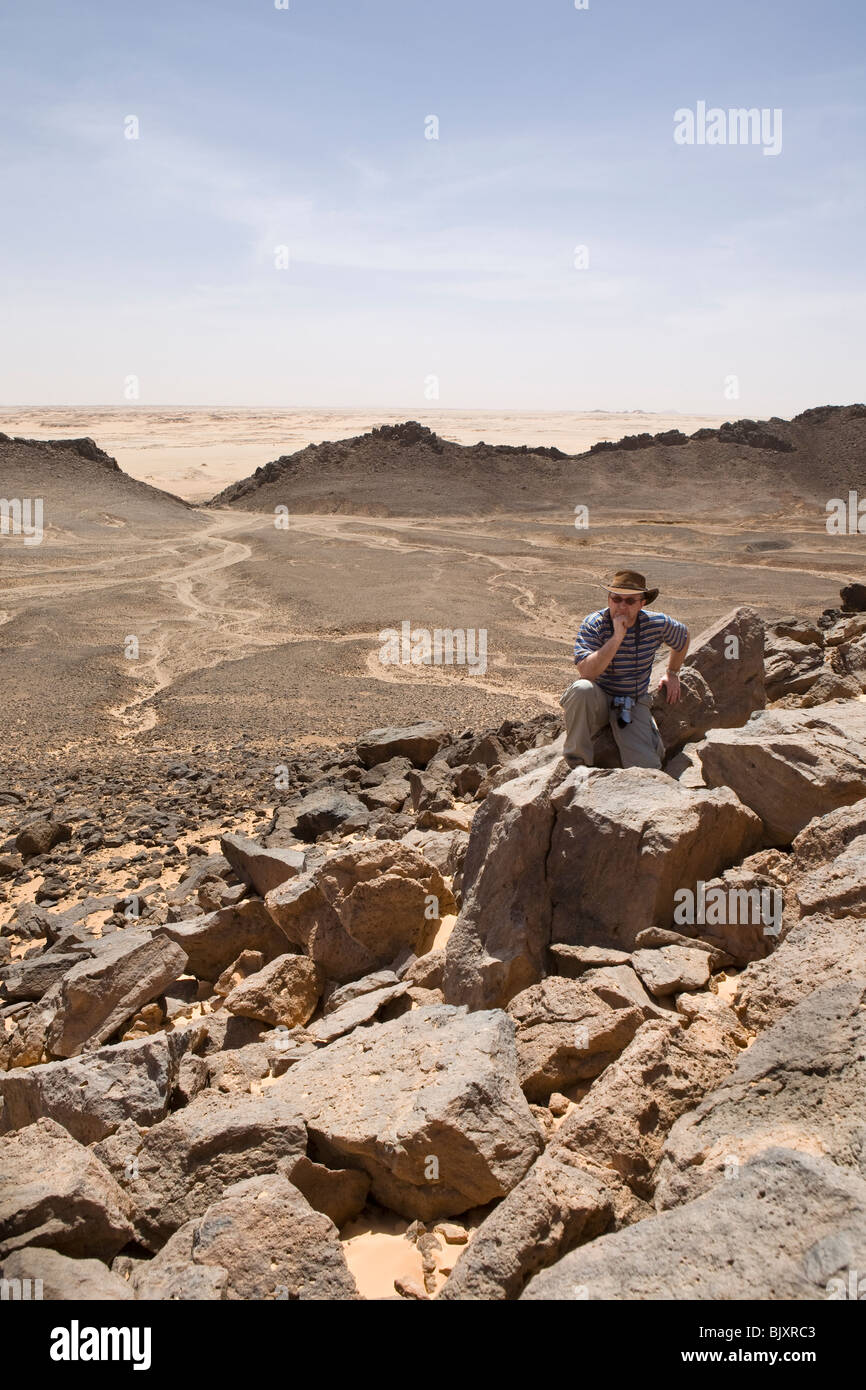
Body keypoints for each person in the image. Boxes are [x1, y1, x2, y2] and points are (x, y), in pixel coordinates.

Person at [559, 569, 689, 770]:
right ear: (609, 599)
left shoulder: (656, 623)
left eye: (630, 601)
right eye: (616, 599)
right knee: (581, 689)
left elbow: (683, 637)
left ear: (642, 603)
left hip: (632, 701)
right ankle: (577, 764)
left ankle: (648, 733)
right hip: (599, 700)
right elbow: (586, 672)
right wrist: (617, 637)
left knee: (648, 768)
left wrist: (672, 673)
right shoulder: (594, 624)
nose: (621, 606)